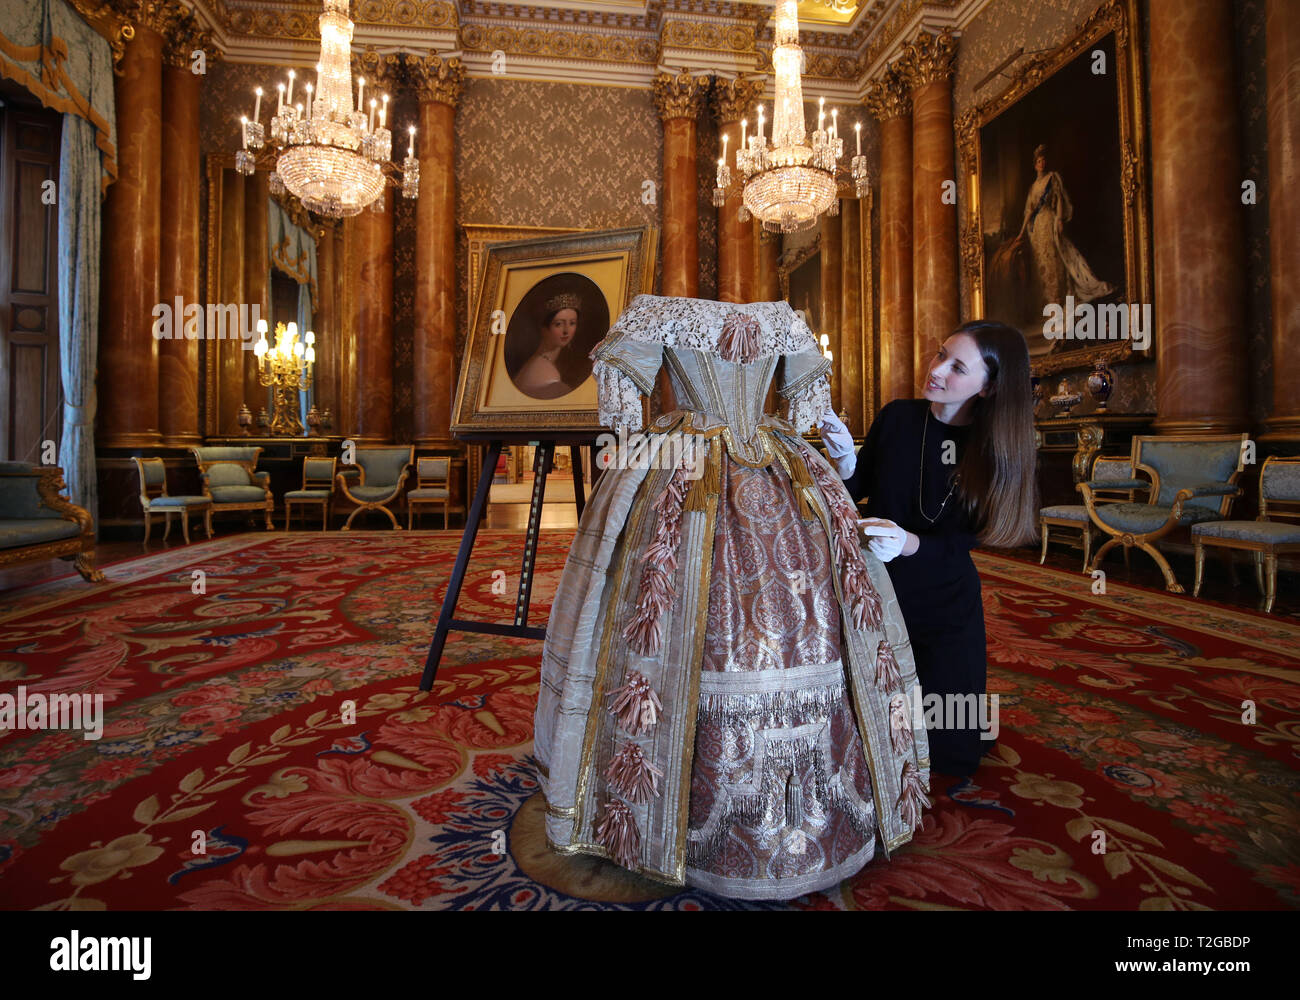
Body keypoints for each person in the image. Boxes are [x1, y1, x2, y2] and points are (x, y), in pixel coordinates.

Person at [534, 294, 932, 901]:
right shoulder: (783, 319)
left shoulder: (656, 312)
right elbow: (807, 411)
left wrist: (635, 449)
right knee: (810, 611)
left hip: (682, 460)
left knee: (665, 609)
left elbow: (618, 393)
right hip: (778, 465)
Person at [819, 320, 1039, 779]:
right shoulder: (898, 417)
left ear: (988, 388)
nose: (937, 370)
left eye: (958, 367)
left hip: (943, 596)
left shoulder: (994, 447)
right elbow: (853, 490)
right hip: (877, 587)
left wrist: (909, 542)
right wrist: (842, 461)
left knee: (950, 754)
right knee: (860, 736)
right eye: (941, 354)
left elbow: (967, 539)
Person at [993, 144, 1114, 310]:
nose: (1042, 164)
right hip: (1036, 230)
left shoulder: (1052, 178)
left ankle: (1059, 298)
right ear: (1035, 165)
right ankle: (1049, 302)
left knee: (1054, 260)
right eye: (1038, 161)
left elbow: (1058, 201)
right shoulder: (1033, 187)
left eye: (1043, 161)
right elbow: (1029, 212)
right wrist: (1022, 232)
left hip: (1049, 222)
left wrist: (1059, 220)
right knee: (1041, 263)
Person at [514, 293, 581, 399]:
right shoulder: (544, 370)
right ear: (544, 328)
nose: (566, 331)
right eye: (558, 324)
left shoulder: (543, 361)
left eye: (572, 323)